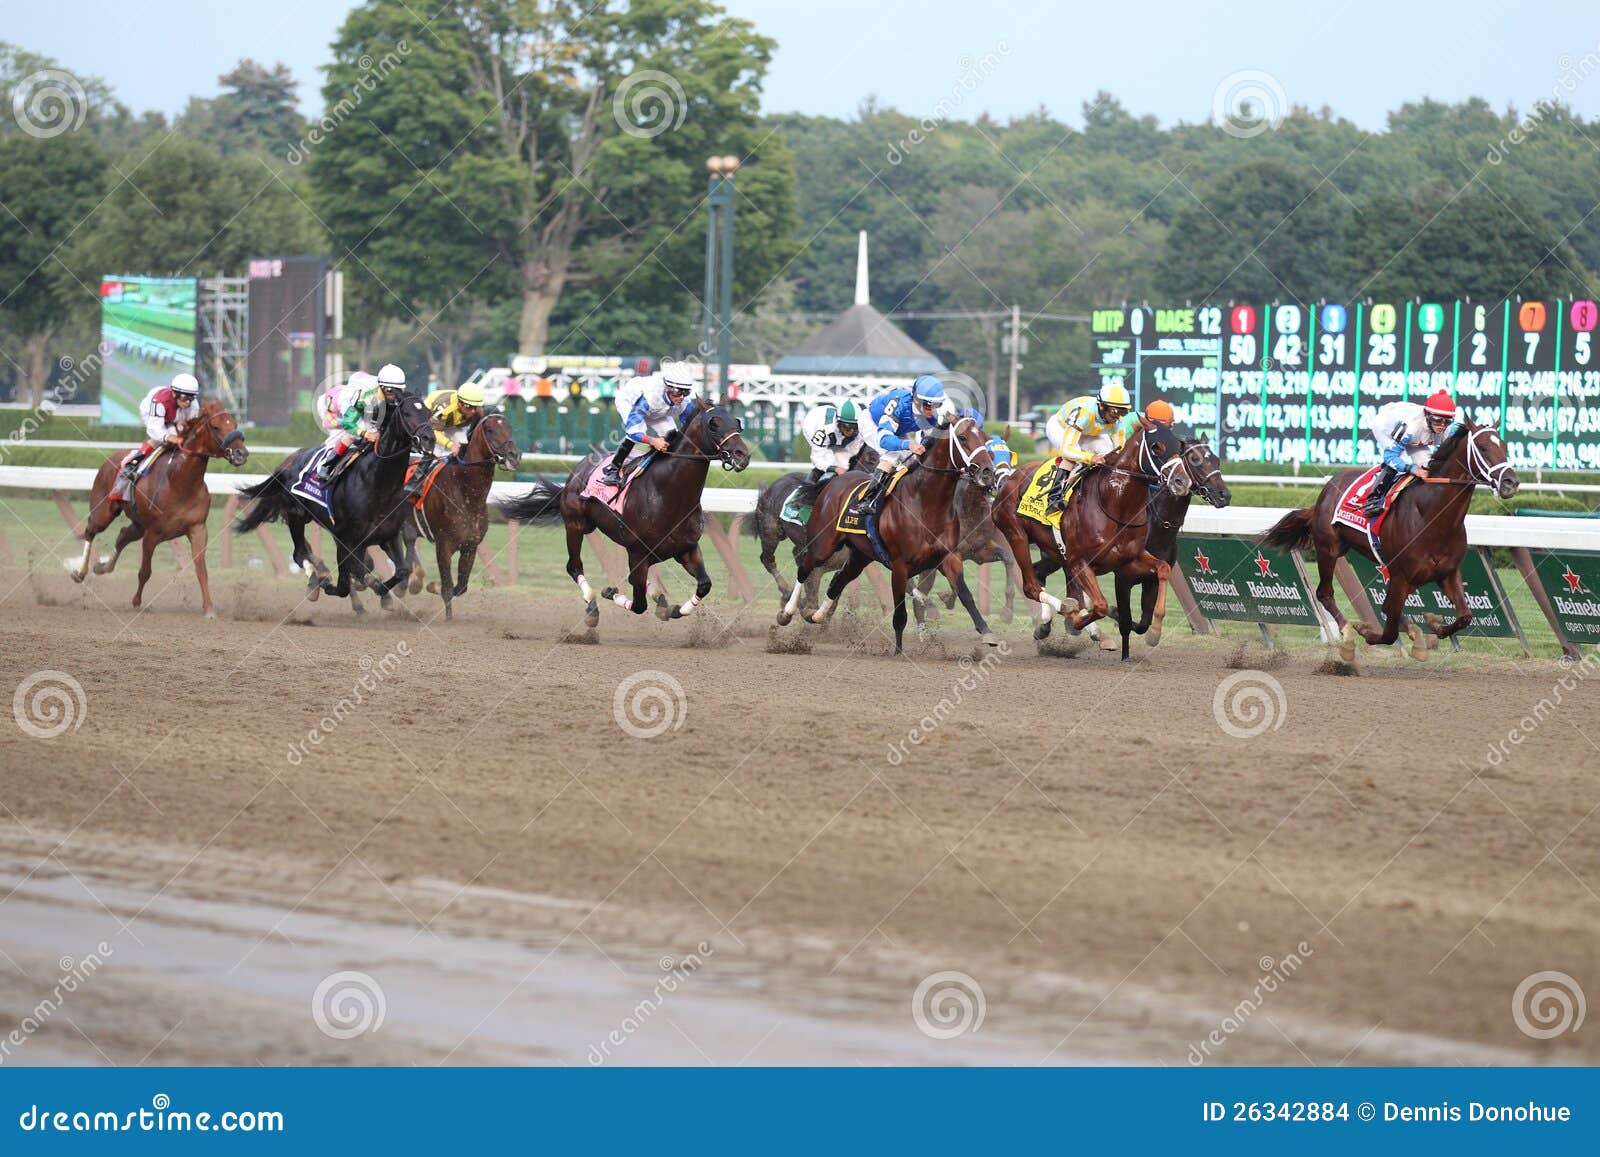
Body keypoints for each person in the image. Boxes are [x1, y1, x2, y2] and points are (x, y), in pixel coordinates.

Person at [857, 374, 948, 514]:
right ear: (916, 400)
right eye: (929, 405)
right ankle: (868, 499)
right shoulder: (898, 405)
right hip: (873, 423)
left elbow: (928, 443)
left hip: (897, 430)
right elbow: (884, 440)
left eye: (938, 405)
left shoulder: (931, 417)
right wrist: (908, 444)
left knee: (912, 460)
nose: (933, 410)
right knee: (893, 454)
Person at [600, 362, 698, 485]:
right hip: (630, 403)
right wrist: (653, 441)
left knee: (673, 435)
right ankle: (612, 470)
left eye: (686, 392)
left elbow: (689, 426)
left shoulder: (685, 402)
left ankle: (663, 468)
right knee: (639, 430)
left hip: (657, 410)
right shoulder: (649, 398)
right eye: (678, 392)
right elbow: (633, 430)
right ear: (667, 388)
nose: (682, 397)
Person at [1363, 390, 1459, 516]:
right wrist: (1413, 469)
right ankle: (1372, 501)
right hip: (1386, 428)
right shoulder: (1410, 428)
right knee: (1399, 463)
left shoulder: (1447, 431)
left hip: (1417, 438)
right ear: (1427, 416)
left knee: (1428, 465)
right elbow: (1390, 457)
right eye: (1437, 420)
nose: (1442, 426)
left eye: (1447, 422)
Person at [1042, 381, 1132, 514]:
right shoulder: (1084, 413)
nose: (1118, 416)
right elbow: (1067, 450)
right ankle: (1054, 497)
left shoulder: (1117, 422)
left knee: (1109, 455)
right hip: (1060, 427)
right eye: (1114, 410)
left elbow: (1120, 453)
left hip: (1088, 432)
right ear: (1102, 406)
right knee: (1075, 457)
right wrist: (1090, 457)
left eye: (1123, 411)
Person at [317, 363, 408, 481]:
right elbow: (348, 424)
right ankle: (327, 465)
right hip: (332, 409)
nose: (395, 396)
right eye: (391, 391)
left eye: (399, 390)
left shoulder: (384, 390)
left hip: (361, 403)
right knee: (352, 435)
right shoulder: (364, 398)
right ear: (382, 387)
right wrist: (365, 434)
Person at [405, 381, 487, 499]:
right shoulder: (444, 409)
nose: (473, 411)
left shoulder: (473, 408)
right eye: (470, 407)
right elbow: (433, 431)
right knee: (435, 451)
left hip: (452, 423)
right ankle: (413, 482)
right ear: (460, 403)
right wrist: (450, 444)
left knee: (464, 446)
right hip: (431, 424)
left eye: (476, 407)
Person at [120, 372, 201, 486]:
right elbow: (154, 429)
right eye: (184, 397)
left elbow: (191, 429)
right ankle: (132, 465)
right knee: (160, 439)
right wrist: (169, 437)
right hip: (151, 414)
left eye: (191, 397)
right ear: (174, 393)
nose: (188, 401)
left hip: (173, 417)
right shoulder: (161, 401)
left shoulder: (193, 405)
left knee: (180, 436)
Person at [797, 398, 864, 505]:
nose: (850, 430)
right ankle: (802, 496)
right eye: (846, 426)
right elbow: (817, 459)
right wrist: (835, 468)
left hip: (832, 426)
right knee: (829, 459)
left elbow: (853, 453)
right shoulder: (824, 430)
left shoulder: (860, 431)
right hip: (813, 422)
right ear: (838, 422)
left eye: (854, 426)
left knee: (846, 461)